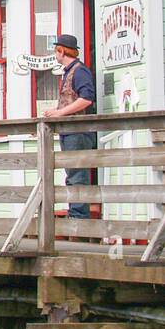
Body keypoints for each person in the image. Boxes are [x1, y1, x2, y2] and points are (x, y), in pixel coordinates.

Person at [44, 33, 97, 218]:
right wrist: (56, 110)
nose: (55, 54)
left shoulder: (79, 71)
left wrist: (59, 113)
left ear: (61, 51)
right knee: (72, 174)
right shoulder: (69, 71)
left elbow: (86, 99)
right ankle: (75, 214)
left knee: (77, 175)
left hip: (78, 132)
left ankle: (78, 217)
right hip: (70, 131)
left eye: (56, 50)